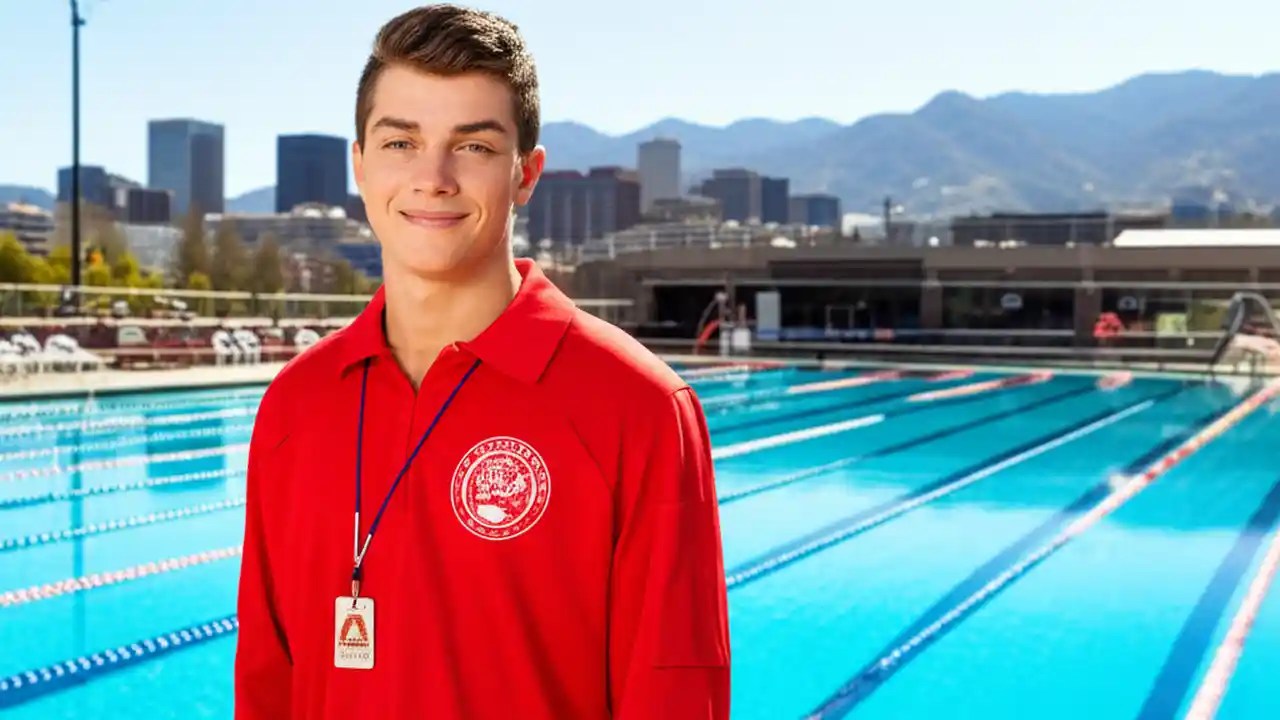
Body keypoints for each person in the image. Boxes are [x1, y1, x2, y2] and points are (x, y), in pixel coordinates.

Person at [233, 5, 730, 719]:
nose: (432, 177)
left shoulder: (638, 407)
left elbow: (676, 695)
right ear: (359, 165)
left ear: (526, 175)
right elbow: (264, 684)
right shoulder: (295, 404)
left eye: (472, 146)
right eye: (400, 141)